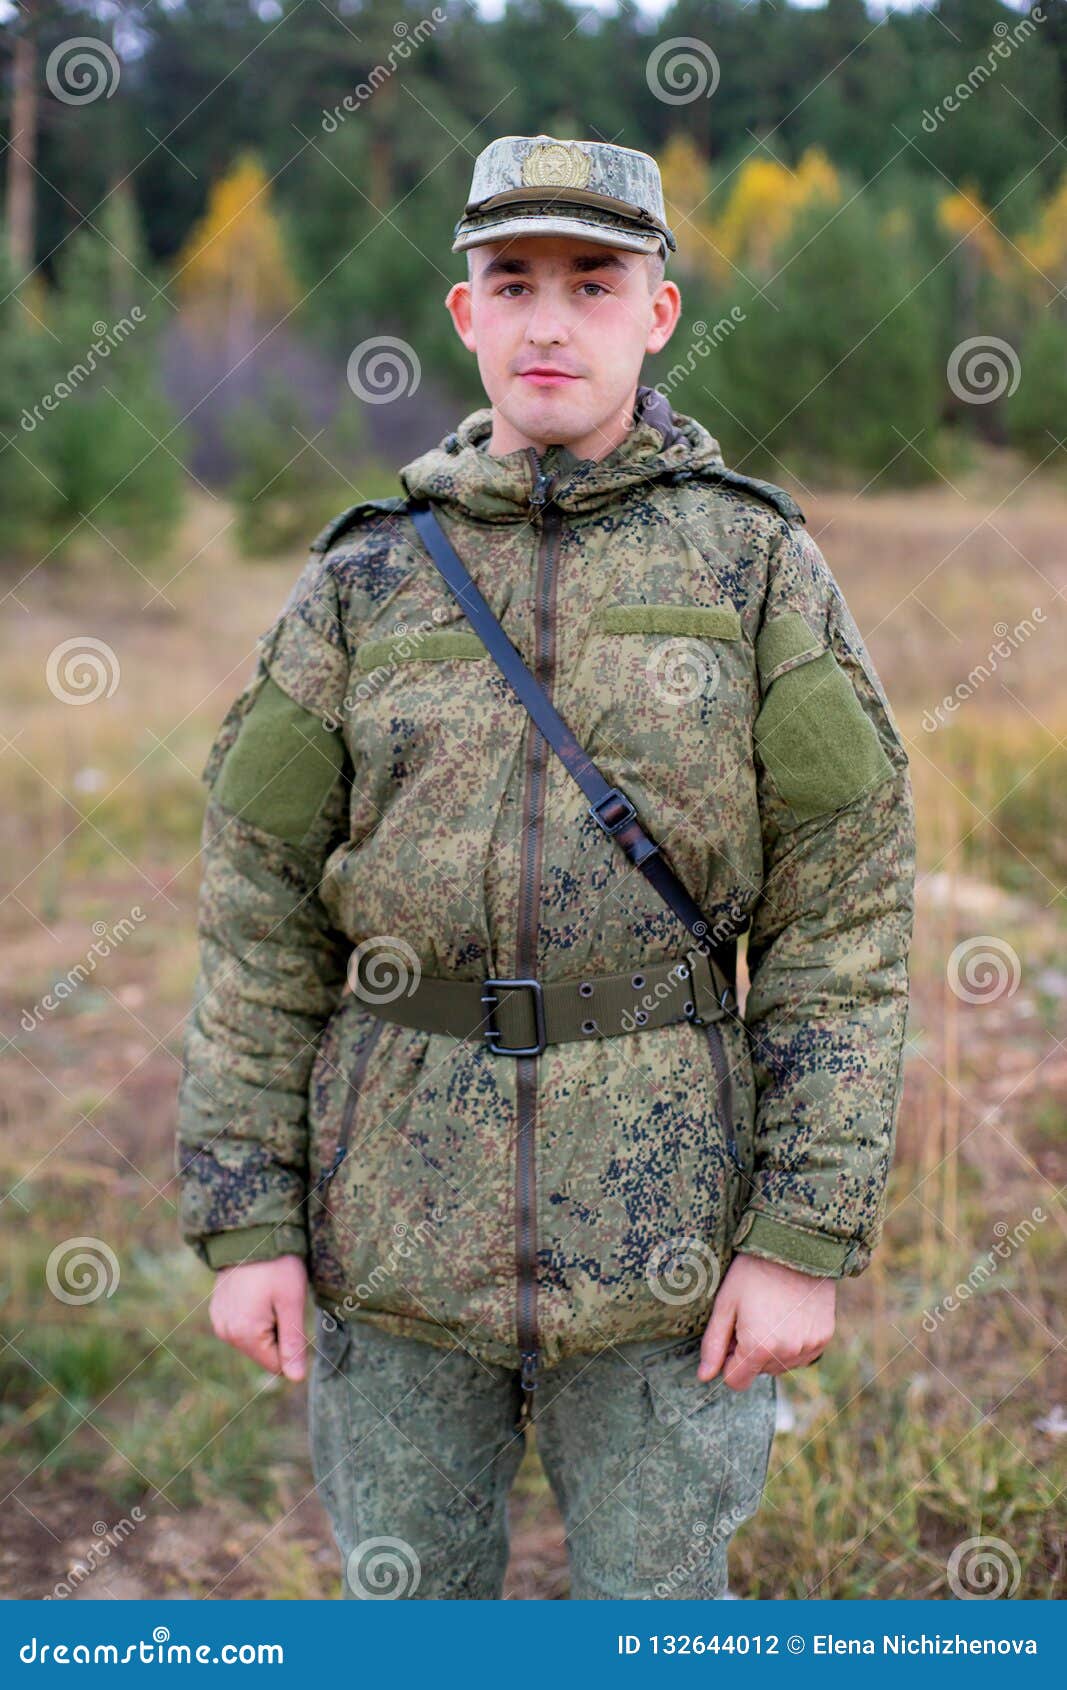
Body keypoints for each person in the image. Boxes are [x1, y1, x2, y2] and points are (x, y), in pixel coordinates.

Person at [175, 132, 916, 1600]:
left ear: (659, 310)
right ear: (466, 314)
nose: (550, 319)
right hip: (387, 1240)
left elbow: (846, 918)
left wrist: (803, 1232)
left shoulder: (753, 568)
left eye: (595, 279)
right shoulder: (362, 580)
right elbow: (258, 912)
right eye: (513, 281)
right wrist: (246, 1215)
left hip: (670, 1261)